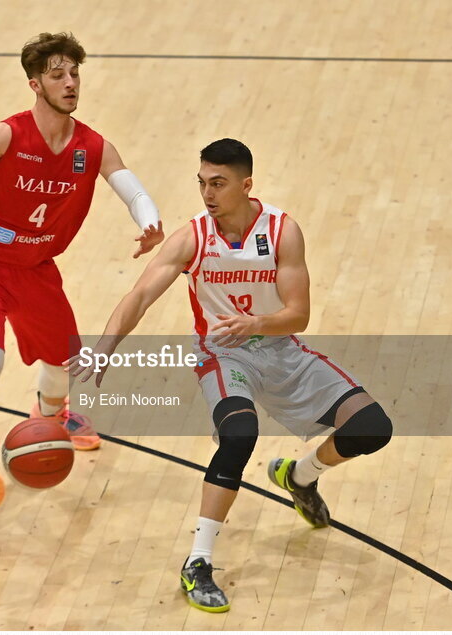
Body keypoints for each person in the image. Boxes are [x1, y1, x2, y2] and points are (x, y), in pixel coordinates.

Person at [67, 139, 392, 612]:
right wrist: (105, 348)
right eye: (202, 183)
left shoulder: (282, 231)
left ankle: (300, 476)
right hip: (222, 355)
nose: (207, 193)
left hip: (279, 346)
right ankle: (198, 562)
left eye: (218, 184)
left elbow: (299, 314)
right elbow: (139, 296)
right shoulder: (192, 238)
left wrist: (257, 324)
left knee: (373, 428)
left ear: (246, 185)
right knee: (239, 435)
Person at [0, 32, 164, 532]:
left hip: (36, 271)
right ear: (35, 84)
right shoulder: (8, 134)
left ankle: (53, 413)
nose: (70, 82)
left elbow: (130, 187)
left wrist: (150, 222)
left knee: (64, 364)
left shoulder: (92, 146)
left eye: (74, 73)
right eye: (58, 75)